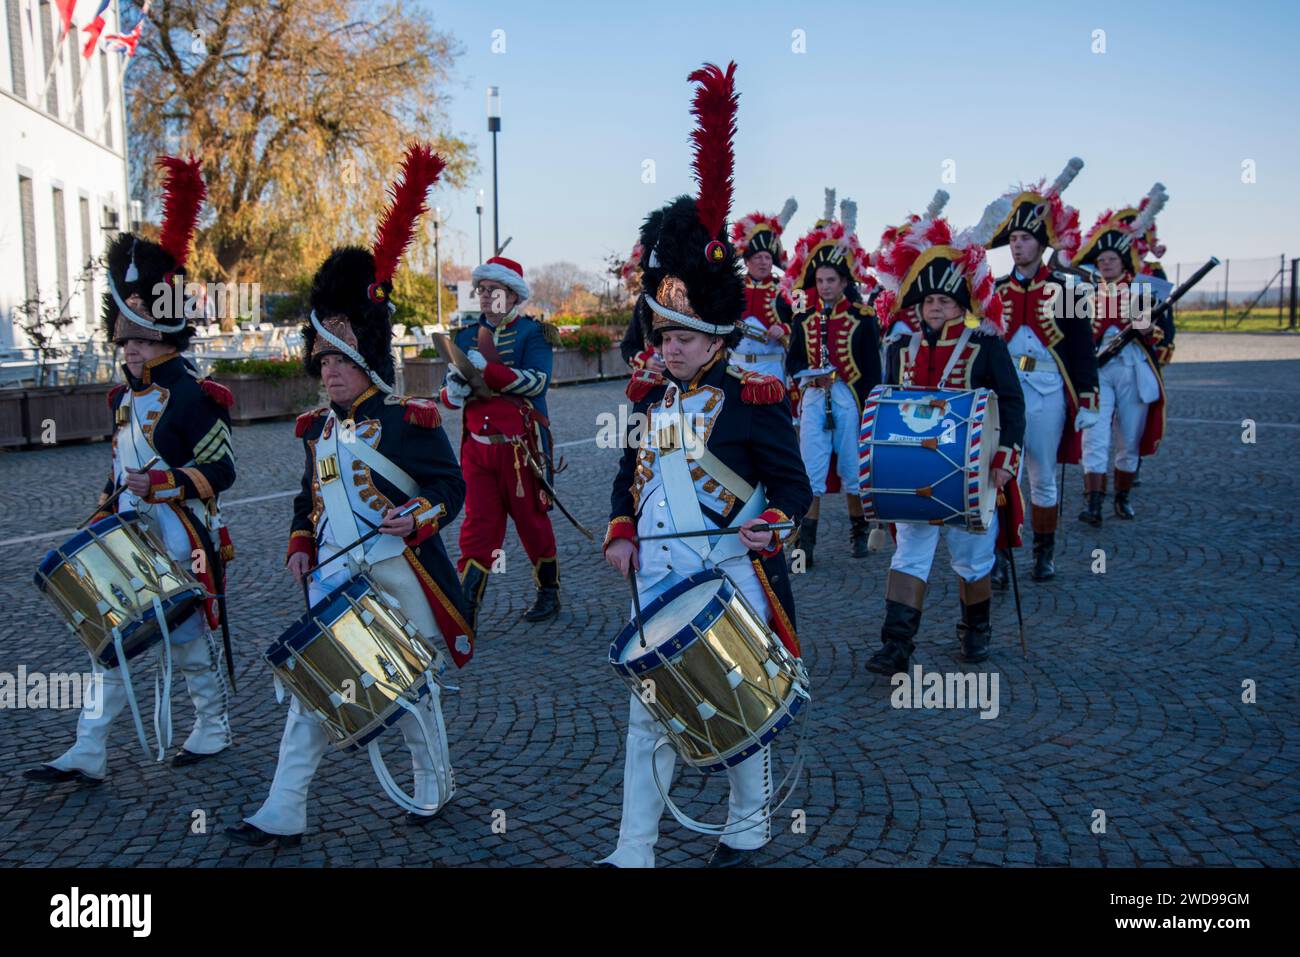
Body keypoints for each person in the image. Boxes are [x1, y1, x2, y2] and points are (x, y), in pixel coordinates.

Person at [226, 145, 473, 847]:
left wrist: (420, 514)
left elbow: (448, 486)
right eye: (322, 360)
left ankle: (433, 783)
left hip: (400, 583)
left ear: (363, 356)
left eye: (337, 358)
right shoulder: (318, 430)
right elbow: (309, 497)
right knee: (313, 690)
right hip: (334, 582)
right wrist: (302, 540)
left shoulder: (407, 419)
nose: (326, 371)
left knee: (415, 689)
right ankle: (285, 807)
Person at [599, 62, 812, 868]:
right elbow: (627, 480)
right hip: (656, 577)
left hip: (730, 574)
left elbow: (792, 487)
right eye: (663, 336)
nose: (669, 348)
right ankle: (632, 847)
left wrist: (772, 526)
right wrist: (620, 529)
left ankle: (750, 823)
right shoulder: (649, 401)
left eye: (682, 337)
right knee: (648, 714)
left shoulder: (755, 399)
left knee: (740, 699)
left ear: (717, 340)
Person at [24, 156, 236, 786]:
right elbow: (119, 468)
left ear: (169, 341)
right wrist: (103, 509)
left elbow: (223, 470)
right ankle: (89, 747)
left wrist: (166, 485)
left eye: (141, 341)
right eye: (125, 341)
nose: (131, 350)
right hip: (127, 532)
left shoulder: (201, 396)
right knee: (112, 642)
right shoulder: (120, 399)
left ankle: (214, 726)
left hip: (181, 536)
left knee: (191, 642)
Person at [865, 205, 1025, 673]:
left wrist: (1004, 458)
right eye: (928, 301)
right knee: (909, 553)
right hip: (915, 474)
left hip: (971, 473)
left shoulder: (987, 347)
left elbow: (1012, 405)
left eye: (945, 301)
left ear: (962, 306)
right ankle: (897, 645)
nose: (935, 308)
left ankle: (975, 632)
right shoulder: (898, 349)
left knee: (973, 559)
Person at [987, 158, 1100, 582]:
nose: (1017, 246)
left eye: (1025, 238)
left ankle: (1043, 551)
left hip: (1049, 389)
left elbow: (1082, 349)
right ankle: (999, 555)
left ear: (1041, 244)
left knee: (1043, 474)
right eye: (1013, 238)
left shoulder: (1068, 288)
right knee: (998, 473)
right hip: (1004, 392)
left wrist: (1088, 399)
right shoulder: (995, 289)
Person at [440, 257, 563, 626]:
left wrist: (487, 370)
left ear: (513, 295)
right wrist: (454, 391)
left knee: (532, 522)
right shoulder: (463, 337)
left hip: (520, 447)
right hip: (477, 448)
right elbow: (446, 397)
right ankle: (467, 606)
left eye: (494, 289)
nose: (485, 295)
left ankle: (548, 591)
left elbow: (537, 382)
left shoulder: (534, 334)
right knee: (478, 525)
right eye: (481, 290)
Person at [783, 194, 881, 562]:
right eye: (820, 280)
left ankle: (859, 533)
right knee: (811, 470)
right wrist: (807, 378)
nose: (824, 286)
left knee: (853, 466)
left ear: (843, 282)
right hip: (812, 397)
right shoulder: (803, 318)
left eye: (830, 280)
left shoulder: (863, 316)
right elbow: (793, 361)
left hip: (849, 398)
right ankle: (805, 544)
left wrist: (866, 405)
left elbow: (872, 369)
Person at [1073, 184, 1170, 524]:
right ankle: (1093, 504)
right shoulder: (1084, 292)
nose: (1106, 263)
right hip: (1098, 371)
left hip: (1132, 368)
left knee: (1128, 438)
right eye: (1101, 260)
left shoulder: (1142, 288)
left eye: (1111, 258)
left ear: (1122, 260)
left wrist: (1143, 326)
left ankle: (1123, 496)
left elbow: (1152, 332)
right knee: (1095, 436)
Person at [730, 198, 797, 380]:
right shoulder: (733, 287)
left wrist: (784, 328)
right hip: (735, 366)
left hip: (771, 367)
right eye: (758, 257)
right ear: (747, 262)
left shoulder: (784, 289)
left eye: (767, 258)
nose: (764, 262)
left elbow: (801, 319)